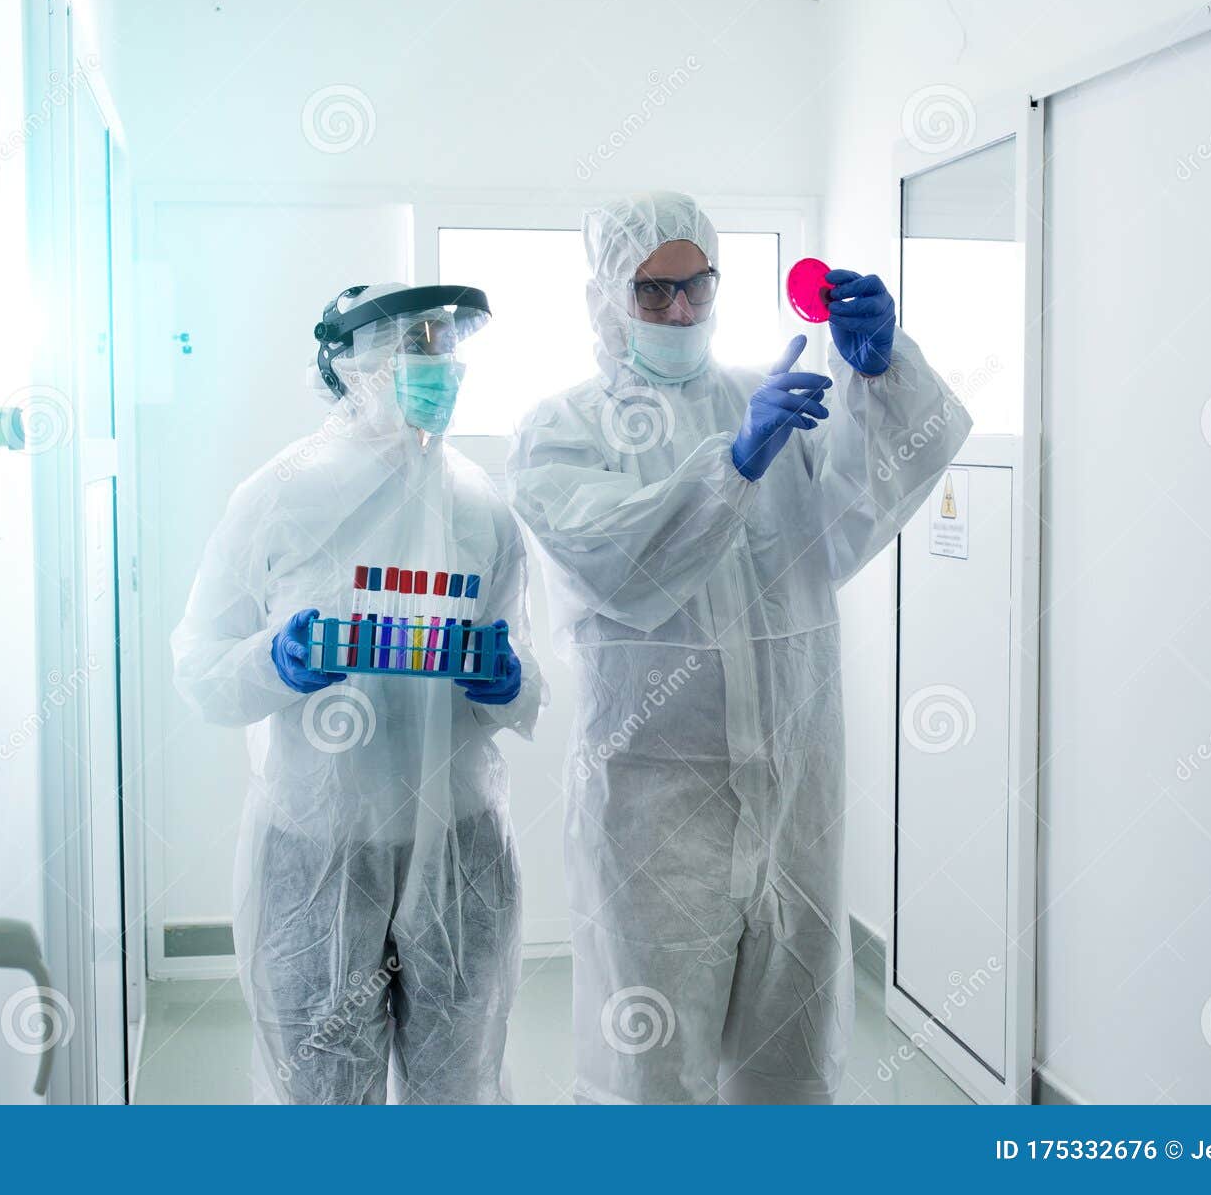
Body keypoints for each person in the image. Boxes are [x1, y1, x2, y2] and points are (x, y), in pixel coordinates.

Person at [508, 191, 971, 1104]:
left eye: (697, 286)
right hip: (651, 799)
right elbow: (615, 560)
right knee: (650, 1066)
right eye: (653, 292)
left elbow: (855, 516)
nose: (681, 311)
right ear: (608, 296)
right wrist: (734, 464)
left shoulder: (775, 400)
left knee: (787, 1057)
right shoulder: (564, 427)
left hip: (795, 787)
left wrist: (881, 376)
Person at [171, 282, 545, 1104]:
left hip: (463, 847)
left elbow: (522, 678)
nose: (437, 364)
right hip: (319, 847)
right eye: (414, 343)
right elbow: (200, 667)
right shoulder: (280, 496)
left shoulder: (483, 507)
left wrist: (507, 683)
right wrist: (278, 662)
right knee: (323, 1097)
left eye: (447, 344)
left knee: (461, 1089)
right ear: (348, 364)